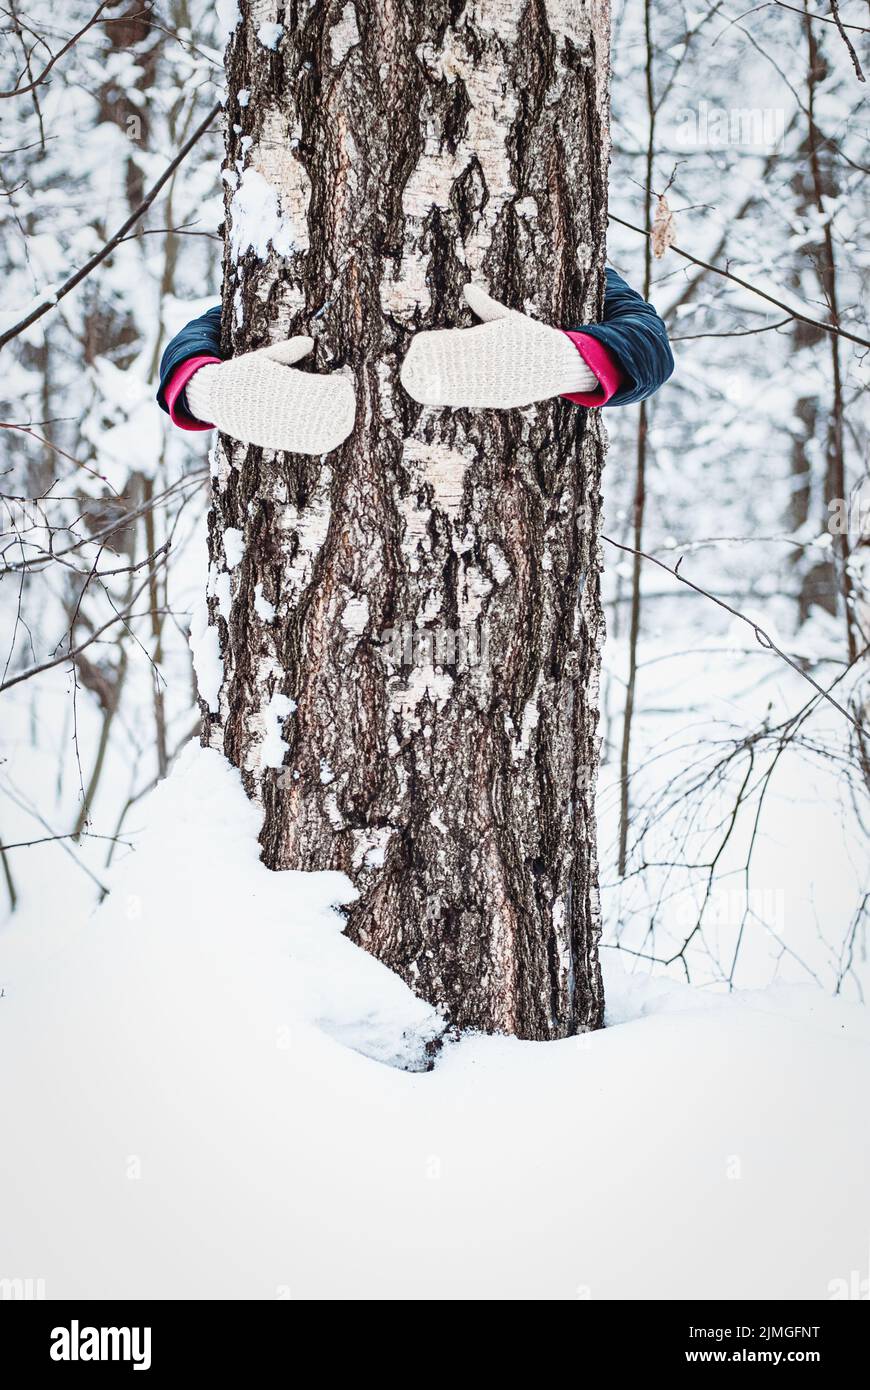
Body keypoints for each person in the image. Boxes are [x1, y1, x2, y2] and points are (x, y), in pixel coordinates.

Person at [156, 270, 674, 454]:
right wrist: (207, 389)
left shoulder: (581, 266)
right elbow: (200, 334)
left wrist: (565, 360)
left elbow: (650, 345)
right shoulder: (277, 277)